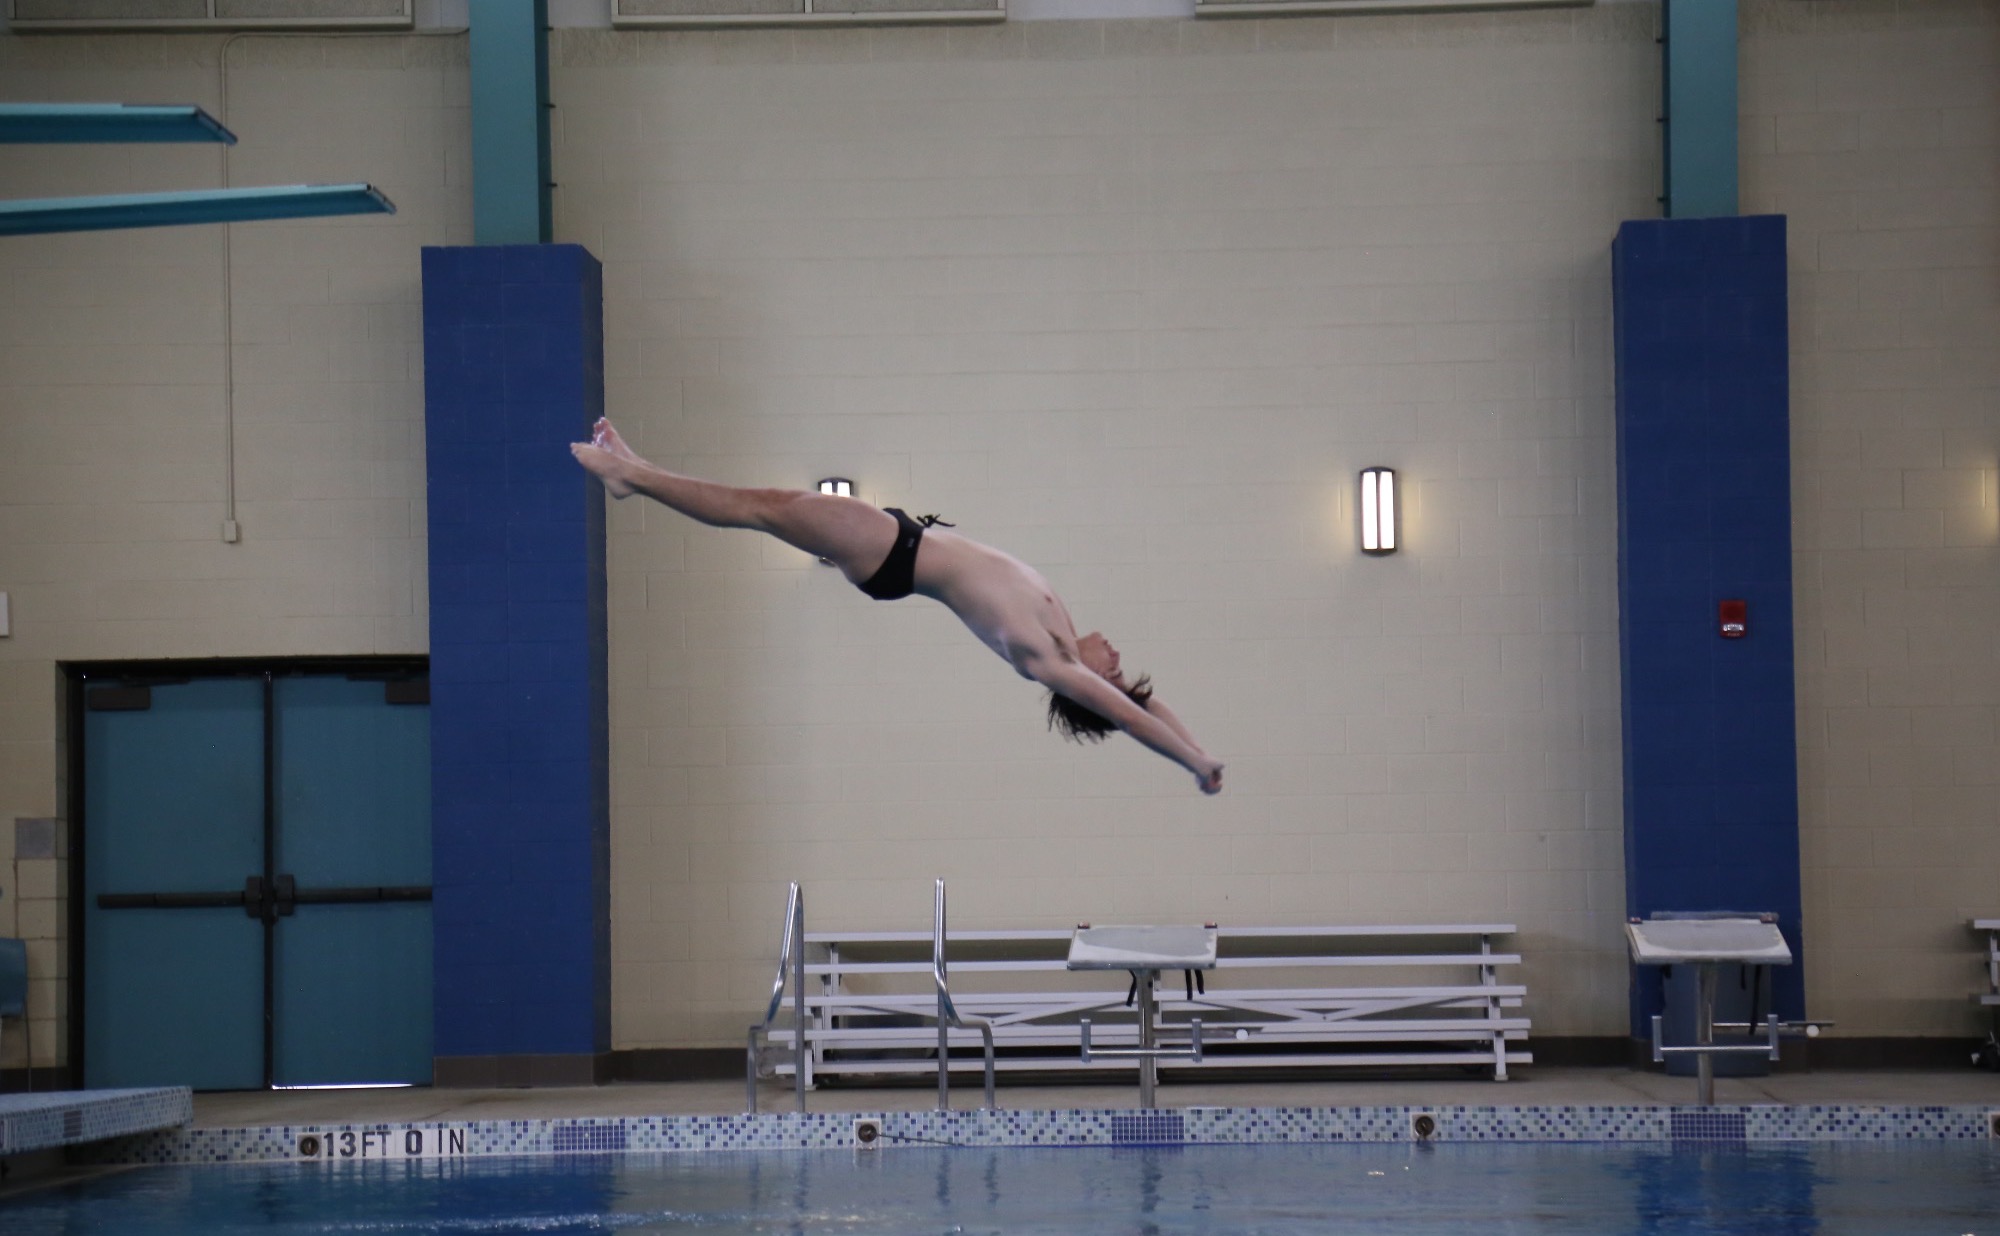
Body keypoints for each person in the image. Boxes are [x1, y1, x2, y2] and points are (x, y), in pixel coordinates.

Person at [572, 419, 1225, 794]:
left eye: (1113, 670)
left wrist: (1194, 766)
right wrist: (1201, 748)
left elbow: (1129, 718)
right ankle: (637, 471)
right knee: (766, 504)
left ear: (1091, 687)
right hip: (899, 544)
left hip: (893, 554)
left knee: (761, 507)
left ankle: (632, 478)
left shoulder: (1048, 660)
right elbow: (1143, 708)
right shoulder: (1062, 636)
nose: (1115, 654)